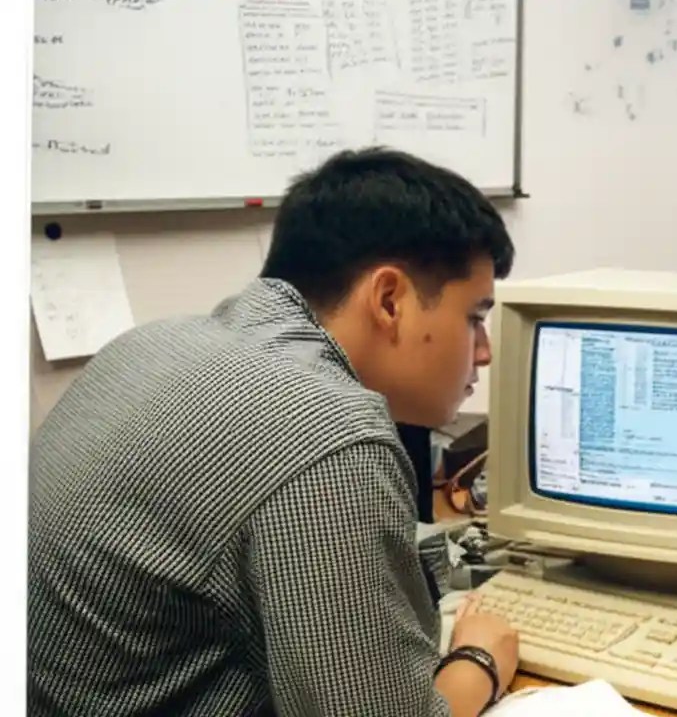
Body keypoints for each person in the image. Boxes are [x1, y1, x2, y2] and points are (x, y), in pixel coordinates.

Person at [29, 148, 519, 716]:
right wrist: (479, 661)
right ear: (389, 300)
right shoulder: (329, 433)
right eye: (474, 318)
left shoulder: (149, 345)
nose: (484, 352)